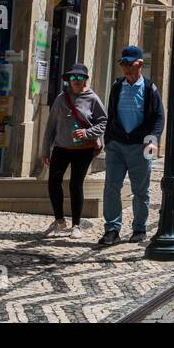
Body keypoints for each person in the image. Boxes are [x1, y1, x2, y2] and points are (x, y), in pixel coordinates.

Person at [100, 45, 164, 245]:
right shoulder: (117, 86)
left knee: (141, 190)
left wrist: (153, 140)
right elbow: (111, 114)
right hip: (117, 145)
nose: (126, 68)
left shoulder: (149, 88)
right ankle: (112, 229)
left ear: (140, 65)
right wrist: (108, 138)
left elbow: (159, 118)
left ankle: (139, 228)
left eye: (130, 64)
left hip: (140, 145)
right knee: (111, 187)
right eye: (123, 64)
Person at [41, 63, 106, 239]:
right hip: (61, 147)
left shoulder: (92, 99)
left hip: (83, 149)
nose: (76, 81)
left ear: (85, 80)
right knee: (53, 181)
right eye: (72, 78)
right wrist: (45, 150)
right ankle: (59, 220)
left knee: (75, 184)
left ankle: (76, 224)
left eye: (80, 77)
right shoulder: (61, 99)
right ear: (68, 81)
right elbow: (51, 126)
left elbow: (103, 122)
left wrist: (87, 133)